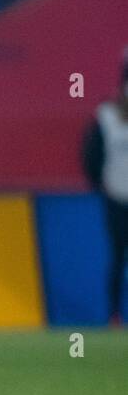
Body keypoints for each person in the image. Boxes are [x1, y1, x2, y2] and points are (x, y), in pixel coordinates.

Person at [81, 47, 128, 325]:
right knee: (118, 257)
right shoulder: (107, 116)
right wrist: (99, 185)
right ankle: (114, 315)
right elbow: (91, 155)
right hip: (117, 197)